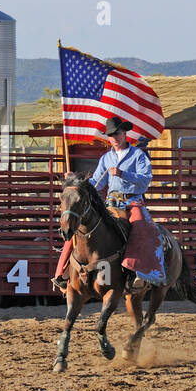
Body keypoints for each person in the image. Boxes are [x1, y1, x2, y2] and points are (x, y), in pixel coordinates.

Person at [51, 116, 164, 290]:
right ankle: (62, 273)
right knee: (77, 225)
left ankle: (140, 273)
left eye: (117, 133)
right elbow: (96, 183)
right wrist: (74, 179)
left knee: (143, 228)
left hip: (132, 202)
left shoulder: (138, 156)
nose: (114, 138)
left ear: (125, 133)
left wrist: (123, 174)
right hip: (110, 202)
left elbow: (145, 180)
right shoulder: (106, 158)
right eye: (110, 135)